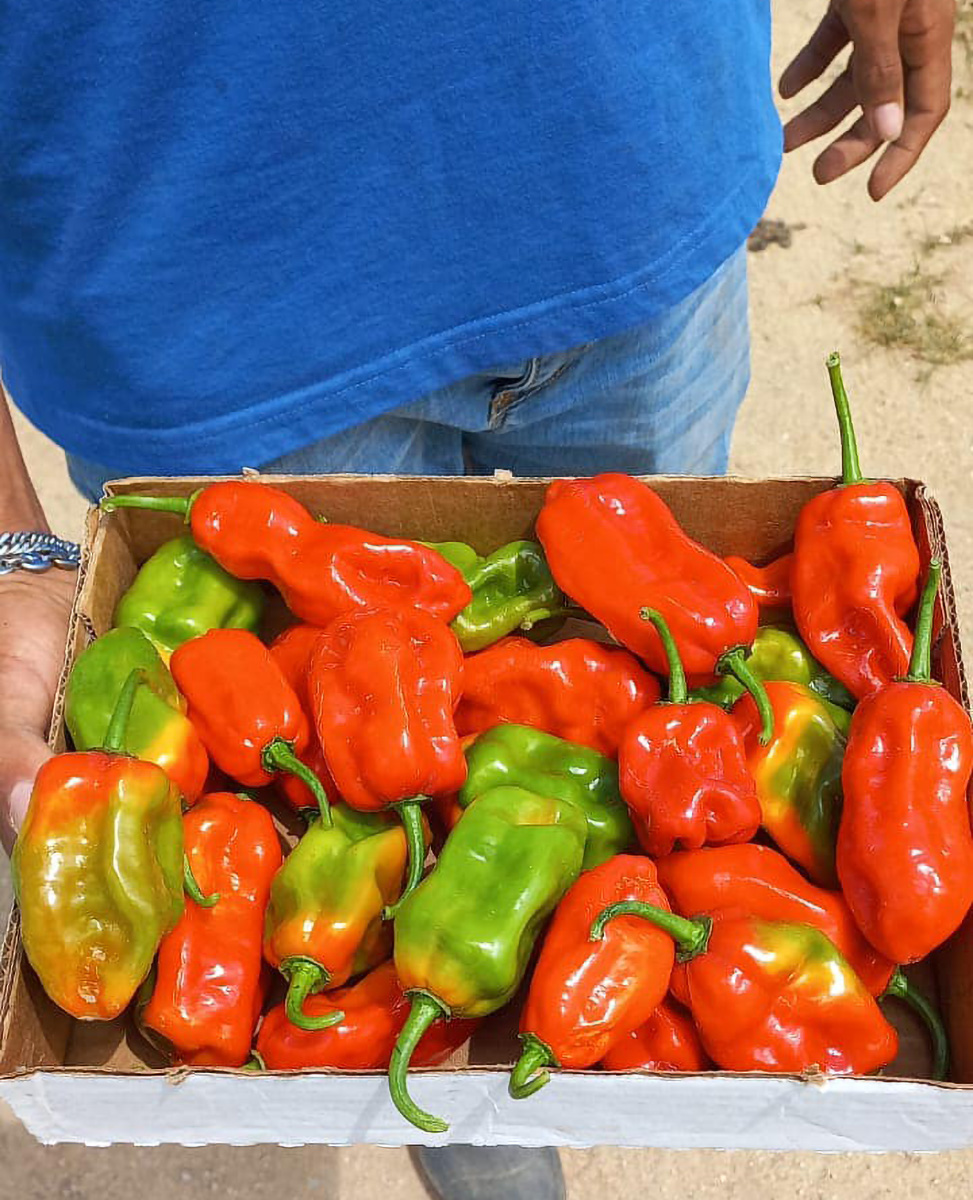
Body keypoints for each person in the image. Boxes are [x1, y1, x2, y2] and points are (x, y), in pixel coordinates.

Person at [0, 1, 954, 1196]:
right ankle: (488, 1153)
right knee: (454, 1001)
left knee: (664, 598)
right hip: (202, 311)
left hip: (633, 181)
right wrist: (11, 548)